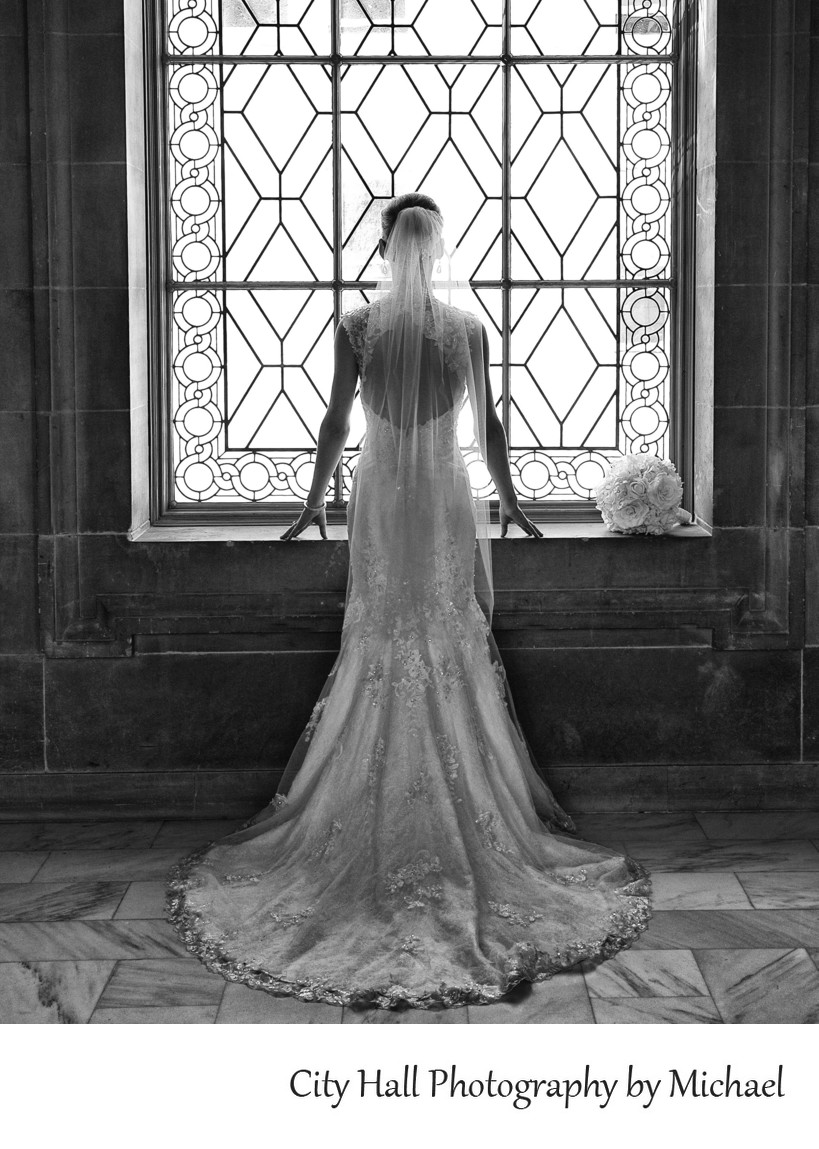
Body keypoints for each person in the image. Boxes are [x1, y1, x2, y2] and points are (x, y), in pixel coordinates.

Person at [167, 193, 651, 1010]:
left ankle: (382, 799)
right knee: (440, 632)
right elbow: (490, 427)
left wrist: (311, 502)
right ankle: (453, 798)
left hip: (384, 493)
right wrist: (513, 502)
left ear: (385, 244)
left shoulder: (357, 323)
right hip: (443, 493)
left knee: (387, 634)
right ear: (435, 245)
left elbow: (332, 421)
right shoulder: (466, 327)